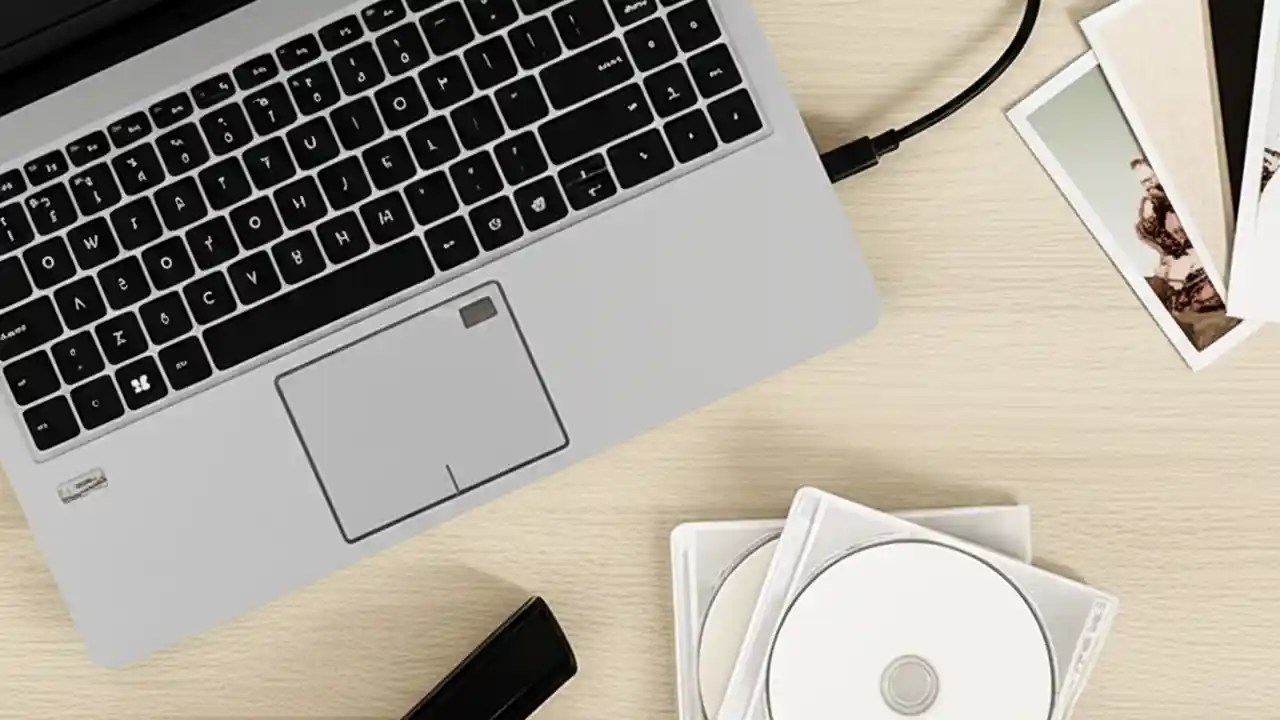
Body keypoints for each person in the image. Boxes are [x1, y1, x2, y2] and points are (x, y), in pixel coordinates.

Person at [1130, 158, 1239, 351]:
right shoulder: (1155, 212)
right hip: (1182, 296)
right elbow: (1150, 234)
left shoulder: (1197, 195)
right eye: (1143, 182)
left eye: (1150, 177)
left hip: (1213, 298)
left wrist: (1192, 260)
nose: (1149, 185)